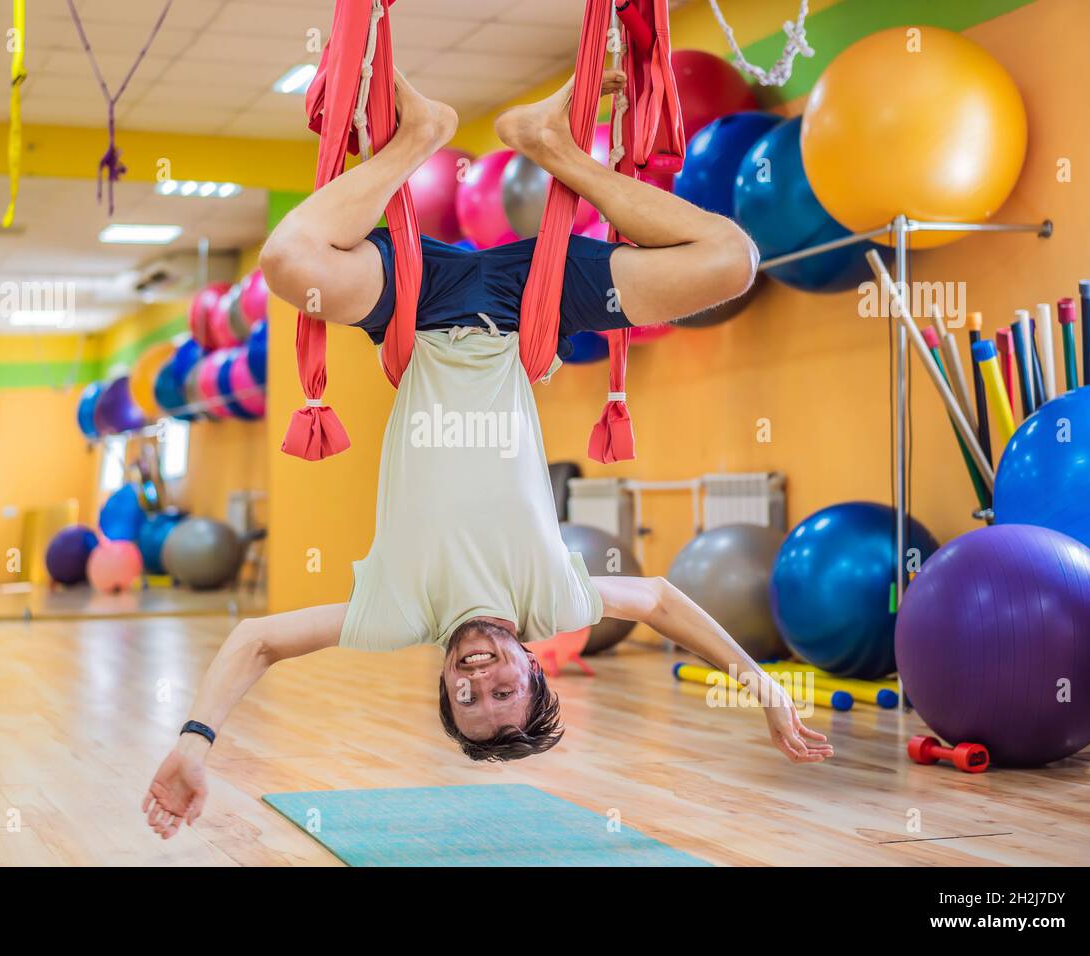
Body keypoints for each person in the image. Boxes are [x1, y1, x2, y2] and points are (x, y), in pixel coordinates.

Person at [143, 71, 831, 840]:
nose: (478, 684)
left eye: (465, 702)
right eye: (503, 694)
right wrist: (764, 689)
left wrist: (193, 741)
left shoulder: (396, 612)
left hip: (414, 303)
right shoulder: (559, 603)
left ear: (441, 684)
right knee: (729, 261)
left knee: (287, 264)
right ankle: (550, 147)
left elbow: (256, 639)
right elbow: (665, 601)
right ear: (537, 670)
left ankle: (417, 139)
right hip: (531, 304)